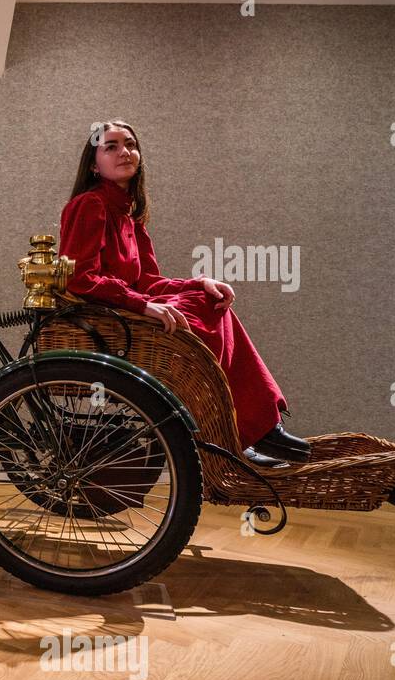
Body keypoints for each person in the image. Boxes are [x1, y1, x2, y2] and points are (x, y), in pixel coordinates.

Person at [56, 119, 310, 467]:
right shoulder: (90, 205)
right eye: (110, 147)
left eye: (130, 144)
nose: (124, 152)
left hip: (128, 308)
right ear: (93, 164)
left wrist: (199, 283)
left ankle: (256, 427)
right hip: (107, 317)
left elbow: (147, 279)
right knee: (201, 317)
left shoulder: (130, 216)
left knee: (212, 301)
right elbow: (80, 279)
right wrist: (144, 305)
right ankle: (228, 431)